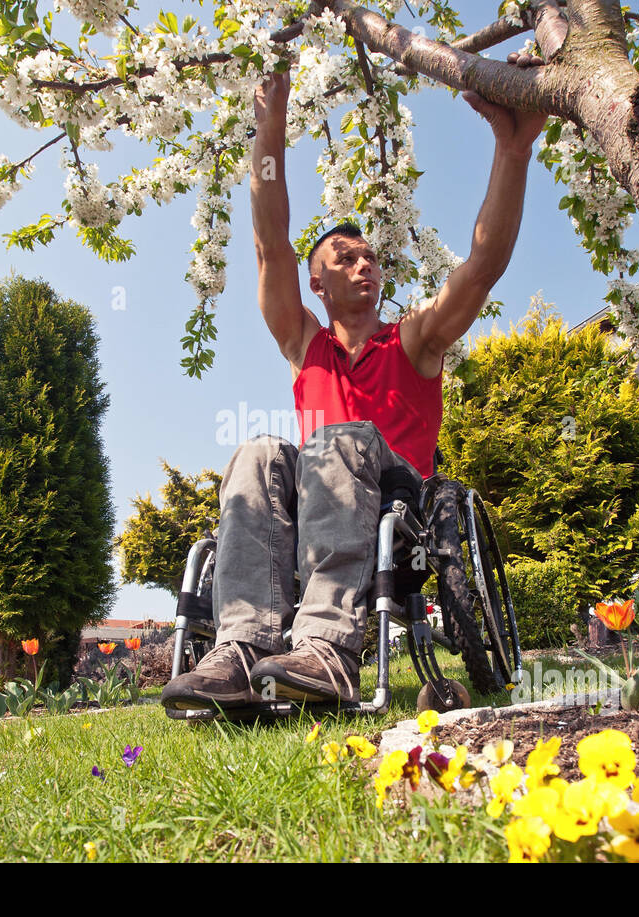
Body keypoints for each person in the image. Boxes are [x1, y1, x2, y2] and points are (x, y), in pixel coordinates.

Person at [161, 68, 547, 712]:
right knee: (257, 451)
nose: (364, 264)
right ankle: (245, 649)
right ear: (318, 283)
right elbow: (268, 246)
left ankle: (326, 651)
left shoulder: (414, 341)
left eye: (370, 257)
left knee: (342, 440)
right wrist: (271, 127)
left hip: (397, 502)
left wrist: (514, 151)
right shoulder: (303, 344)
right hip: (314, 500)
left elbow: (483, 268)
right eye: (345, 258)